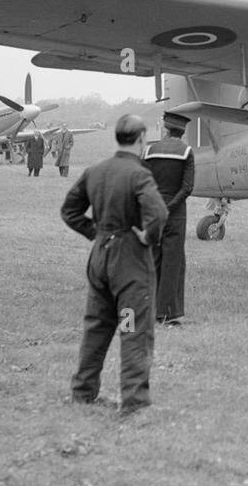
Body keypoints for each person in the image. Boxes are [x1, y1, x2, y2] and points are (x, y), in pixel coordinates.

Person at [61, 115, 168, 414]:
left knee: (96, 326)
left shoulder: (96, 171)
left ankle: (82, 393)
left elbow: (70, 210)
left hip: (100, 259)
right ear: (142, 139)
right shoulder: (138, 174)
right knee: (133, 329)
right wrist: (148, 236)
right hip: (130, 263)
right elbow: (158, 213)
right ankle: (134, 402)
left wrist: (95, 233)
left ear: (118, 137)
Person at [144, 112, 197, 325]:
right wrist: (169, 207)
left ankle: (149, 309)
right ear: (182, 132)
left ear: (165, 129)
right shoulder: (186, 152)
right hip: (175, 214)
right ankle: (168, 314)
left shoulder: (149, 150)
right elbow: (187, 187)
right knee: (173, 263)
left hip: (152, 212)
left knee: (153, 259)